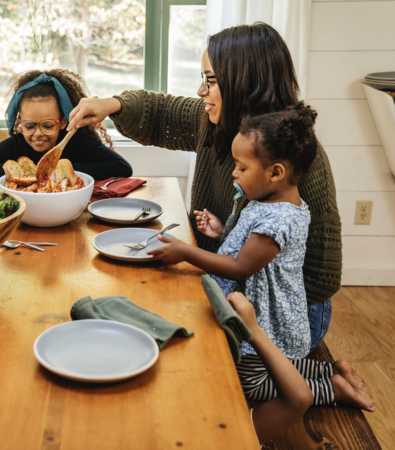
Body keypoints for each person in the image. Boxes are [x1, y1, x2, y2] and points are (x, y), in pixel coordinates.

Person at [66, 23, 340, 351]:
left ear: (244, 83)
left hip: (285, 317)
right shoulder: (218, 123)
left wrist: (245, 298)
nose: (200, 91)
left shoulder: (295, 155)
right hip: (229, 286)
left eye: (210, 81)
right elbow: (161, 112)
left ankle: (326, 383)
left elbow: (322, 276)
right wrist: (112, 104)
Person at [147, 103, 374, 412]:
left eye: (242, 167)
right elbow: (248, 247)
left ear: (275, 172)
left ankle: (330, 389)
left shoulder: (277, 220)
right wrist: (220, 233)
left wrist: (186, 252)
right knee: (278, 365)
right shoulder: (273, 202)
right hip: (271, 312)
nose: (234, 172)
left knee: (250, 380)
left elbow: (241, 267)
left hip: (267, 319)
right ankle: (330, 370)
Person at [0, 69, 132, 180]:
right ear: (19, 123)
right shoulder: (17, 144)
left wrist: (60, 169)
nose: (37, 133)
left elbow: (123, 168)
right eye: (29, 126)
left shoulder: (75, 142)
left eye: (47, 125)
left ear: (63, 122)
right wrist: (25, 173)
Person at [225, 291, 314, 445]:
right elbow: (298, 398)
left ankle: (331, 379)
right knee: (253, 383)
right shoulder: (231, 440)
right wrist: (253, 330)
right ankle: (331, 385)